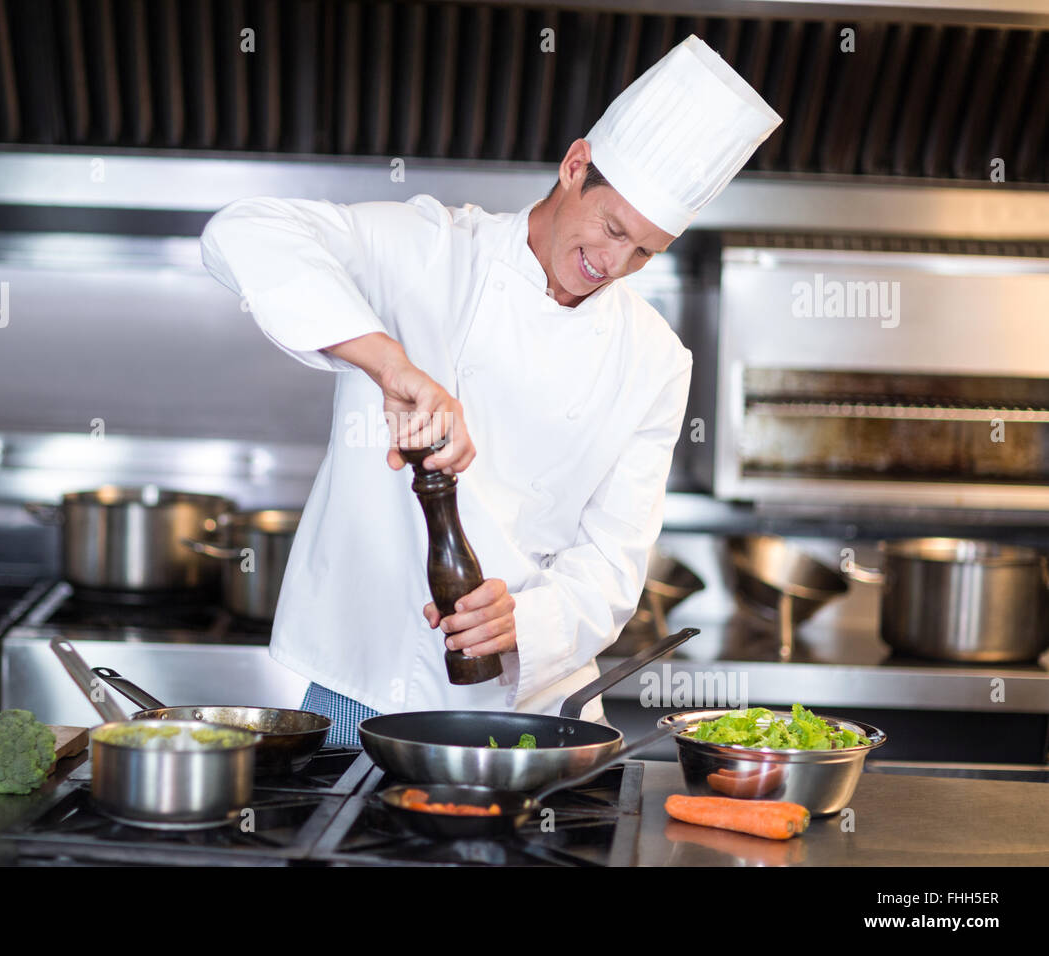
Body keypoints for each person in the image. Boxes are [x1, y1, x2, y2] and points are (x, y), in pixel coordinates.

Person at [200, 35, 781, 747]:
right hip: (365, 690)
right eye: (612, 228)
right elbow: (242, 231)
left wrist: (525, 623)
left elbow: (612, 559)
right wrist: (388, 364)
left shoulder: (657, 358)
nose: (613, 263)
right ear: (575, 166)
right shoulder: (431, 251)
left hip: (533, 708)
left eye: (645, 252)